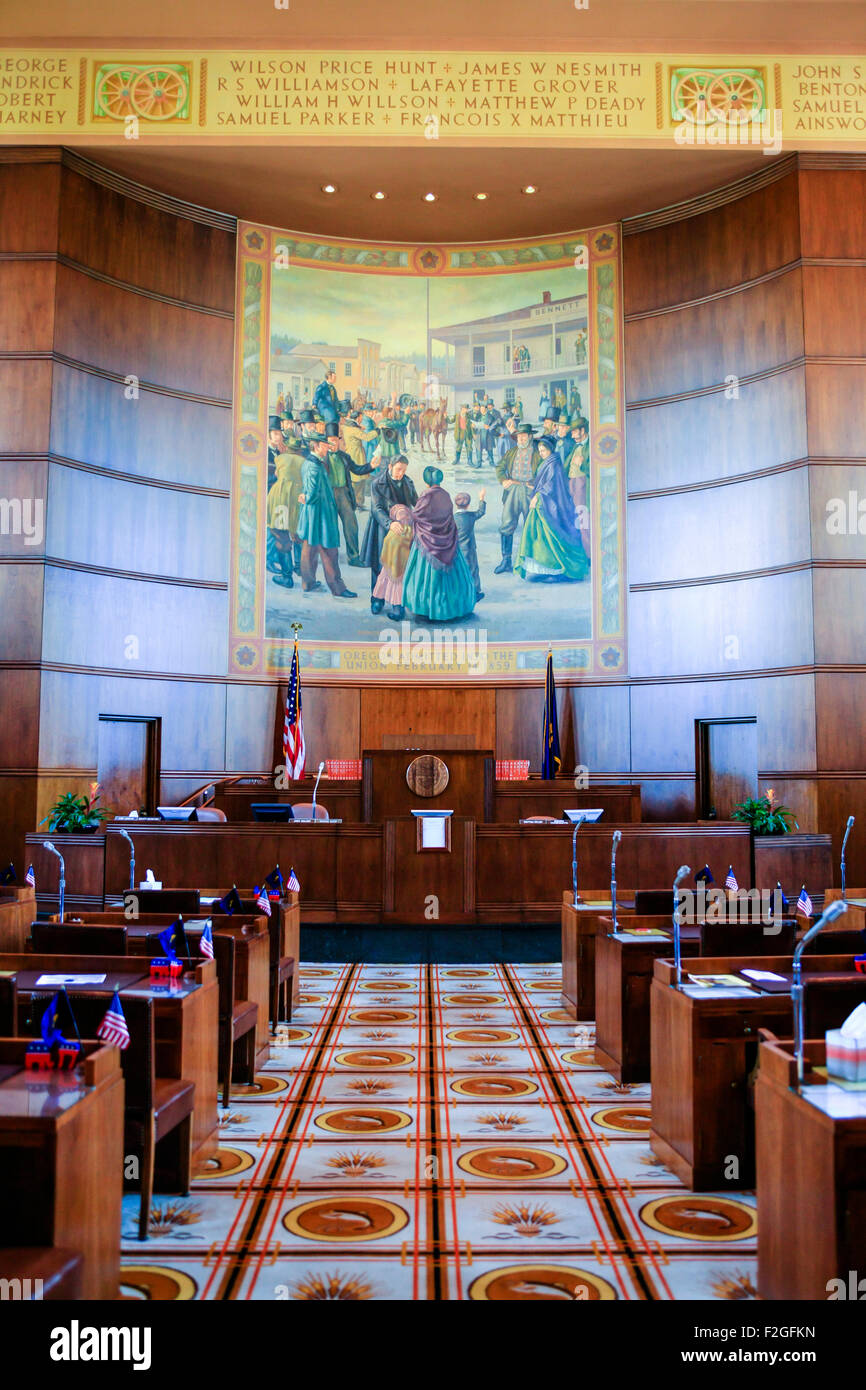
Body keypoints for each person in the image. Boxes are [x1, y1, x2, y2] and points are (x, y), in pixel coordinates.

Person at [402, 466, 476, 622]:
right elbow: (447, 515)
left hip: (427, 540)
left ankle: (427, 608)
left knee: (424, 575)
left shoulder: (425, 496)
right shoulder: (445, 495)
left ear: (426, 481)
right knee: (453, 577)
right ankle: (451, 608)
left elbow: (417, 515)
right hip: (447, 539)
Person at [514, 435, 590, 583]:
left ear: (550, 450)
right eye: (540, 450)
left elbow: (552, 485)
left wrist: (538, 496)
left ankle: (556, 568)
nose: (541, 453)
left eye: (543, 450)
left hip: (551, 504)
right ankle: (545, 566)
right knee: (539, 535)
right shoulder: (548, 462)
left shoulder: (554, 464)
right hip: (544, 501)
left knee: (550, 536)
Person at [296, 438, 357, 597]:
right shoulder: (314, 466)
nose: (328, 448)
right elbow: (312, 492)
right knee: (329, 550)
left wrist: (306, 498)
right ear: (316, 446)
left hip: (315, 514)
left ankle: (308, 583)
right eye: (324, 445)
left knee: (310, 547)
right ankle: (337, 588)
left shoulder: (314, 463)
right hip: (320, 514)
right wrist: (306, 498)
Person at [360, 454, 418, 613]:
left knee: (400, 566)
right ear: (390, 467)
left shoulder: (408, 482)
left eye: (404, 470)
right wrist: (390, 523)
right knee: (379, 564)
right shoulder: (377, 483)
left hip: (404, 531)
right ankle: (376, 599)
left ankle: (397, 602)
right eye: (399, 469)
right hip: (382, 529)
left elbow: (416, 503)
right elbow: (376, 509)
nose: (401, 473)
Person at [494, 420, 540, 574]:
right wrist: (503, 480)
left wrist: (536, 485)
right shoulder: (512, 452)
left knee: (531, 525)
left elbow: (545, 473)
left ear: (530, 437)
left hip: (529, 491)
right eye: (518, 436)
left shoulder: (538, 453)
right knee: (507, 524)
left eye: (524, 436)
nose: (521, 439)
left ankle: (531, 562)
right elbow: (500, 467)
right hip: (513, 490)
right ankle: (506, 561)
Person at [325, 426, 373, 566]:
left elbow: (357, 469)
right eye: (330, 442)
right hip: (328, 495)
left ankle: (353, 557)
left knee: (351, 524)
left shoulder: (344, 457)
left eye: (336, 441)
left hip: (344, 493)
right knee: (329, 526)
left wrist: (371, 465)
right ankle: (330, 558)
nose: (333, 444)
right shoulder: (322, 458)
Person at [372, 503, 414, 620]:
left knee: (388, 583)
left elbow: (387, 546)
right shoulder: (410, 531)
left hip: (391, 565)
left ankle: (395, 610)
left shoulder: (399, 532)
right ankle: (381, 603)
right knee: (393, 585)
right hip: (399, 565)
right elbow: (376, 508)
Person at [453, 489, 487, 602]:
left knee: (458, 571)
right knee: (472, 570)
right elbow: (481, 512)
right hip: (469, 549)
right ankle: (475, 592)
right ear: (468, 505)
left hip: (456, 550)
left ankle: (460, 593)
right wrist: (481, 498)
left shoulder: (452, 518)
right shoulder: (471, 516)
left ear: (456, 504)